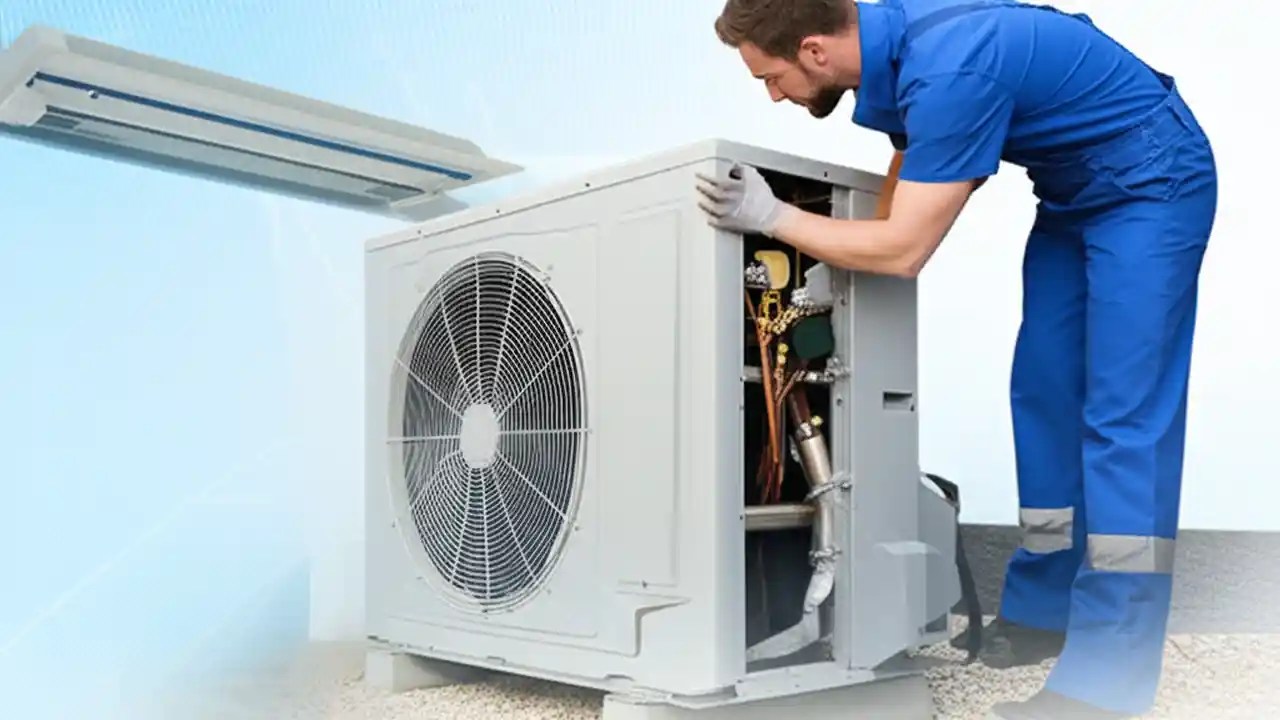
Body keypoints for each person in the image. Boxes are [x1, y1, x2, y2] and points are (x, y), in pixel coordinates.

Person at [696, 1, 1217, 718]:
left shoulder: (950, 67)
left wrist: (775, 218)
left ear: (815, 51)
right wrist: (827, 259)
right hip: (1072, 196)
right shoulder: (900, 50)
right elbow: (910, 180)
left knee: (1125, 416)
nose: (773, 94)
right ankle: (1043, 613)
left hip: (1155, 181)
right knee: (1044, 394)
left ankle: (1107, 682)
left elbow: (905, 249)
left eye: (772, 76)